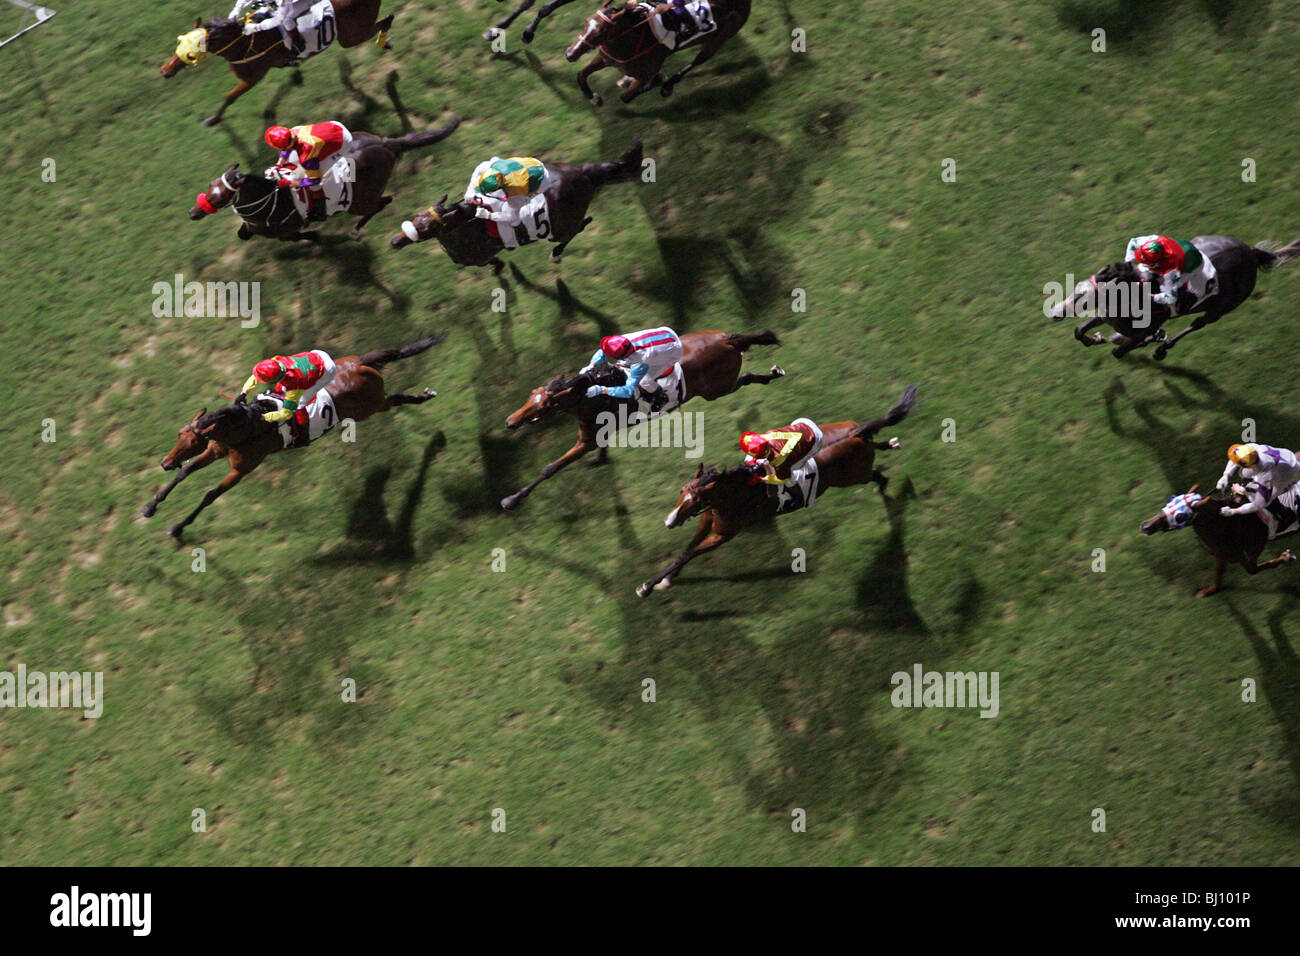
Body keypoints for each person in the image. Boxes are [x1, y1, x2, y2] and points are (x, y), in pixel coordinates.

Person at [264, 121, 351, 221]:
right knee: (294, 160)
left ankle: (320, 212)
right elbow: (287, 147)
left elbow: (314, 180)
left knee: (313, 184)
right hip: (334, 126)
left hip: (344, 142)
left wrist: (290, 184)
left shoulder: (306, 157)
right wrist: (279, 164)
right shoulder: (293, 131)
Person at [581, 328, 683, 412]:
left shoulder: (640, 359)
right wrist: (591, 365)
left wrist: (601, 390)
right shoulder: (623, 340)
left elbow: (628, 391)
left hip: (674, 351)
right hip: (666, 332)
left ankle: (661, 398)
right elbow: (604, 351)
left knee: (644, 381)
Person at [237, 349, 337, 428]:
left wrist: (264, 417)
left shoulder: (293, 386)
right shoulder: (275, 361)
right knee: (282, 389)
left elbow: (287, 413)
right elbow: (258, 374)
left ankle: (304, 434)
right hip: (318, 354)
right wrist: (244, 392)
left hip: (327, 369)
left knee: (300, 403)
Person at [1124, 234, 1216, 316]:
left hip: (1192, 265)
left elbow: (1170, 297)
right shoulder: (1152, 240)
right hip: (1180, 248)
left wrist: (1151, 296)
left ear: (1157, 263)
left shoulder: (1171, 271)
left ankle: (1195, 296)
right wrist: (1128, 264)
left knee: (1167, 288)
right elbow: (1132, 242)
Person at [1217, 442, 1300, 517]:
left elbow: (1258, 505)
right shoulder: (1251, 449)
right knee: (1244, 473)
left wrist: (1234, 511)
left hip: (1288, 476)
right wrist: (1226, 475)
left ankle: (1283, 516)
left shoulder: (1265, 476)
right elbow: (1236, 458)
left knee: (1266, 501)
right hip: (1287, 458)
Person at [739, 419, 824, 487]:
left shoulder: (777, 462)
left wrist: (762, 480)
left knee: (792, 477)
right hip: (804, 422)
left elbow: (784, 479)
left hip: (817, 440)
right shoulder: (767, 435)